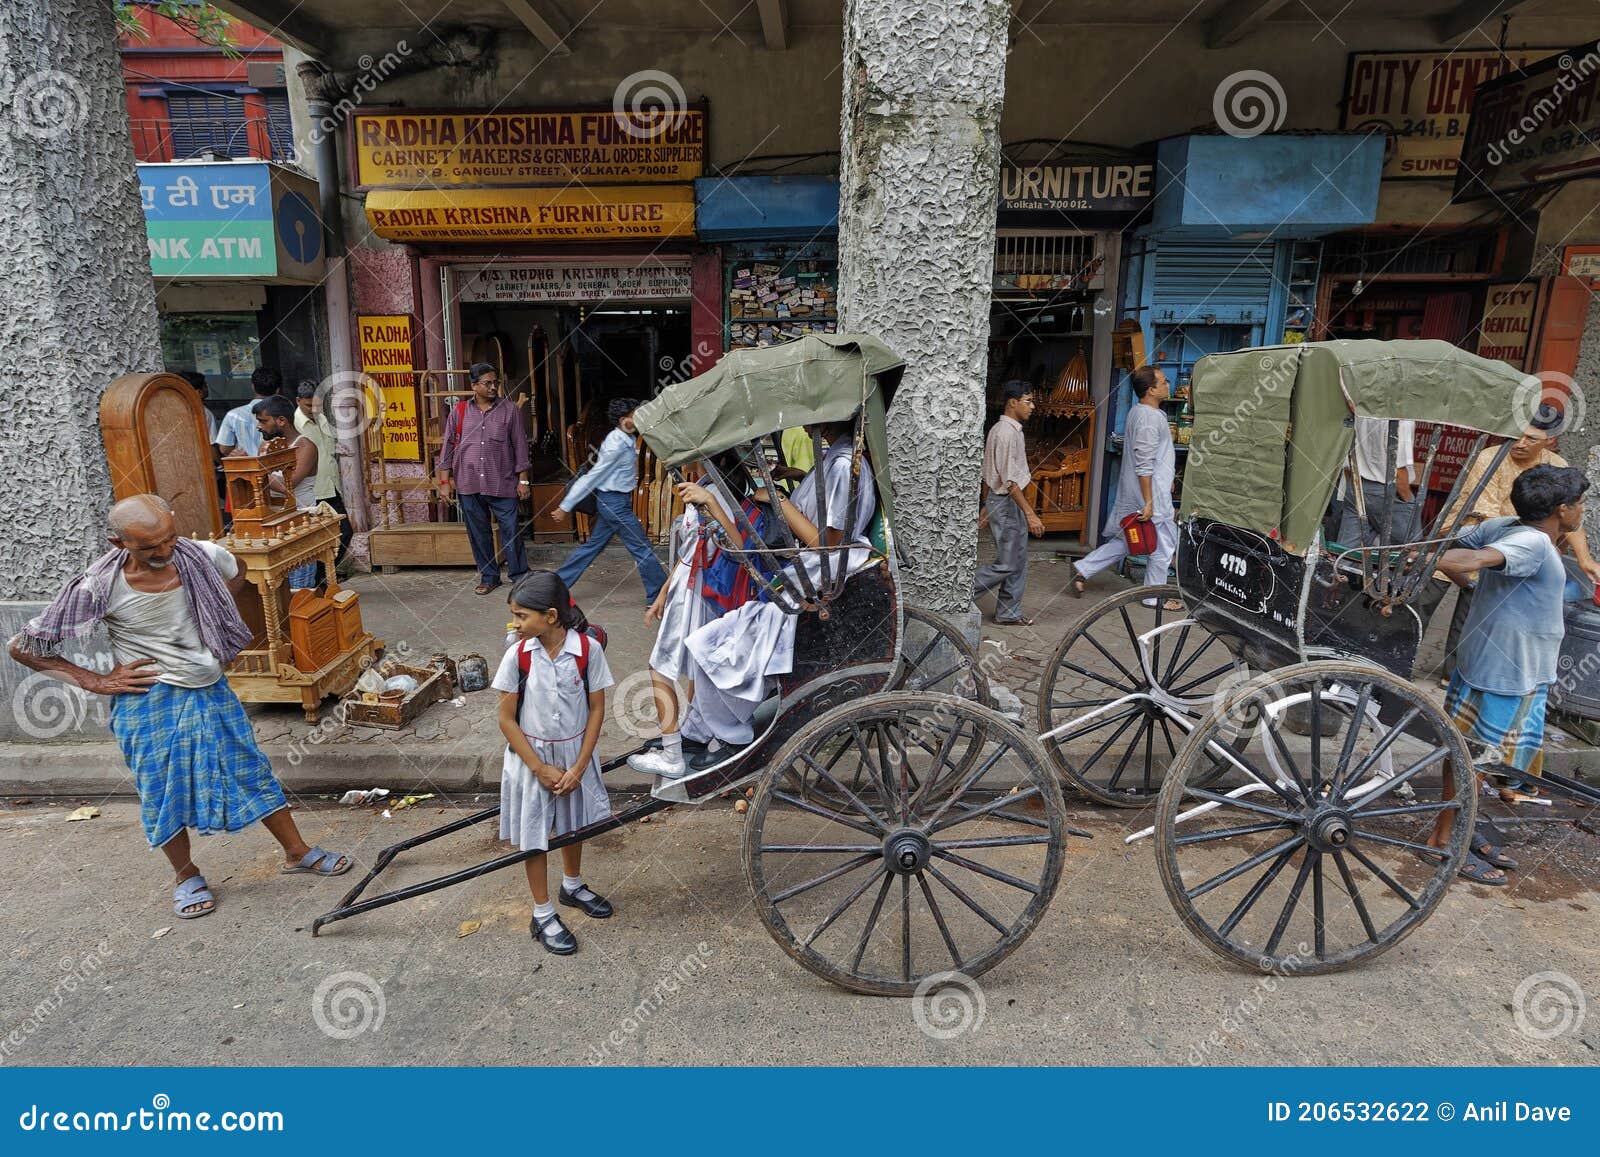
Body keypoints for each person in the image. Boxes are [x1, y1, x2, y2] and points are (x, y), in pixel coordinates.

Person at [6, 495, 352, 919]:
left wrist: (215, 618)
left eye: (170, 538)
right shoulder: (99, 584)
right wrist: (96, 680)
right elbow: (23, 646)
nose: (166, 551)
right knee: (161, 787)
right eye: (150, 547)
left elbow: (239, 571)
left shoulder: (201, 556)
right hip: (148, 699)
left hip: (210, 688)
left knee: (249, 768)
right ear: (119, 543)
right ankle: (186, 875)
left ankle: (296, 852)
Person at [677, 421, 877, 766]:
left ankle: (728, 735)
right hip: (806, 569)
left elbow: (826, 544)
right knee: (720, 641)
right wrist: (797, 477)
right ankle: (697, 732)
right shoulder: (835, 458)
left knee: (719, 644)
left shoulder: (844, 464)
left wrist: (780, 502)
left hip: (819, 570)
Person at [1429, 465, 1586, 884]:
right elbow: (1475, 556)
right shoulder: (1531, 542)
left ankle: (1466, 825)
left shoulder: (1508, 526)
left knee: (1476, 757)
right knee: (1473, 760)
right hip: (1504, 674)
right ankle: (1444, 841)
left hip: (1503, 665)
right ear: (1562, 509)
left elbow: (1457, 548)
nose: (1582, 510)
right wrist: (1444, 561)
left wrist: (1467, 585)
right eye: (1580, 503)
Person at [1412, 404, 1600, 686]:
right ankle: (1399, 661)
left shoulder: (1558, 469)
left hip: (1507, 547)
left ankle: (1454, 675)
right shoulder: (1489, 458)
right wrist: (1419, 555)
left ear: (1551, 441)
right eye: (1517, 435)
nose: (1520, 444)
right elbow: (1482, 515)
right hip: (1467, 533)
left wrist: (1585, 560)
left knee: (1474, 606)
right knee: (1421, 604)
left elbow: (1571, 520)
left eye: (1531, 439)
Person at [493, 572, 615, 954]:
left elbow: (597, 710)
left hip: (574, 755)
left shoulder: (587, 651)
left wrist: (579, 767)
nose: (515, 623)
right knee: (535, 834)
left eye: (521, 615)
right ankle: (542, 912)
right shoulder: (518, 654)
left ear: (550, 615)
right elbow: (505, 719)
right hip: (532, 760)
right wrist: (539, 768)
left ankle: (572, 885)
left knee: (572, 824)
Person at [627, 459, 767, 780]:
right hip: (688, 583)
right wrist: (664, 590)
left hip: (703, 588)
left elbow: (740, 548)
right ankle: (694, 730)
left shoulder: (716, 493)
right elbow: (689, 549)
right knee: (695, 667)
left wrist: (713, 505)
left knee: (661, 665)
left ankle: (672, 753)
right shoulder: (704, 484)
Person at [1072, 366, 1181, 610]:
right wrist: (1149, 501)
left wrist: (1167, 476)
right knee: (1162, 547)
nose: (1167, 385)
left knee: (1128, 540)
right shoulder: (1148, 418)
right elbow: (1144, 464)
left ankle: (1083, 568)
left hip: (1148, 491)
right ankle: (1153, 597)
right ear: (1151, 390)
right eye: (1163, 382)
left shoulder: (1144, 413)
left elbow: (1156, 457)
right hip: (1149, 495)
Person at [554, 397, 668, 603]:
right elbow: (592, 476)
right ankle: (659, 595)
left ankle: (555, 586)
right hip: (614, 504)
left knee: (592, 547)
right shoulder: (615, 445)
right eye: (636, 414)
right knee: (642, 549)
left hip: (615, 502)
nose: (640, 417)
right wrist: (565, 505)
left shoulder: (626, 436)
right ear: (624, 419)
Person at [436, 362, 532, 596]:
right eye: (487, 383)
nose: (493, 387)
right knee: (478, 533)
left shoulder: (509, 410)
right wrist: (444, 482)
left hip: (503, 481)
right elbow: (447, 447)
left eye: (495, 383)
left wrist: (523, 480)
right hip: (468, 483)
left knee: (511, 530)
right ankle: (489, 577)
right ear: (474, 386)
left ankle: (519, 576)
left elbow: (520, 445)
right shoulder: (459, 412)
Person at [972, 381, 1045, 625]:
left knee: (1018, 560)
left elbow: (989, 473)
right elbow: (1010, 481)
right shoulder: (1004, 433)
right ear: (1013, 403)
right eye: (1028, 401)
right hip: (1005, 501)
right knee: (1008, 562)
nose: (1032, 406)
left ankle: (1008, 612)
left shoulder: (1009, 431)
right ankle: (961, 593)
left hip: (1001, 500)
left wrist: (985, 505)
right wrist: (1030, 514)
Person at [254, 395, 319, 589]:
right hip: (275, 525)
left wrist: (258, 468)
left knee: (299, 588)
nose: (259, 426)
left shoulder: (305, 446)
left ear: (281, 420)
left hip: (300, 524)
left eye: (263, 421)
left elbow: (286, 486)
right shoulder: (265, 447)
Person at [1337, 414, 1419, 546]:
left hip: (1356, 485)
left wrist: (1351, 489)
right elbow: (1398, 471)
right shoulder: (1403, 420)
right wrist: (1408, 500)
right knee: (1410, 547)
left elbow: (1348, 463)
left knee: (1348, 550)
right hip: (1385, 490)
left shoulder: (1362, 411)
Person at [295, 380, 350, 575]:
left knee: (343, 532)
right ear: (298, 401)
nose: (313, 409)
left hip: (331, 485)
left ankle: (325, 576)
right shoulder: (296, 425)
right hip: (314, 490)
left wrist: (338, 449)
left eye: (317, 405)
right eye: (309, 405)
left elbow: (325, 448)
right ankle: (322, 579)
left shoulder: (321, 418)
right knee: (321, 538)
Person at [216, 366, 281, 459]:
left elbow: (224, 449)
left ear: (253, 387)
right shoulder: (284, 414)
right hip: (278, 467)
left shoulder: (233, 415)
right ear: (278, 390)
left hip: (246, 467)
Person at [178, 370, 219, 446]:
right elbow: (211, 444)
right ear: (199, 392)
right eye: (205, 386)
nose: (207, 389)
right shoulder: (204, 413)